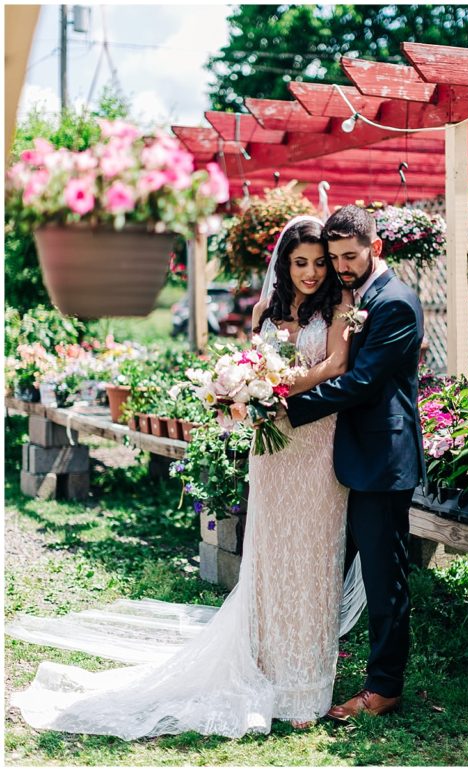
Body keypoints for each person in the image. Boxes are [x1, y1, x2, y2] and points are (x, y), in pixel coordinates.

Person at [8, 215, 361, 738]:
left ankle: (306, 684)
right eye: (300, 262)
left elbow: (335, 366)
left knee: (313, 558)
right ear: (284, 264)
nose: (311, 273)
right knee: (267, 558)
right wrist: (245, 392)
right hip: (272, 452)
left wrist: (274, 391)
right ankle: (264, 669)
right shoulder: (265, 309)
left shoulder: (340, 307)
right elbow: (251, 362)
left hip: (316, 447)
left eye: (317, 263)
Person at [285, 203, 426, 720]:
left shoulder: (395, 304)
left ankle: (383, 689)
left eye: (350, 256)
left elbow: (363, 382)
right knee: (341, 567)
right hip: (353, 456)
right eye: (334, 257)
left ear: (376, 249)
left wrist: (285, 406)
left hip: (383, 460)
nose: (341, 266)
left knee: (384, 579)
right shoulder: (358, 296)